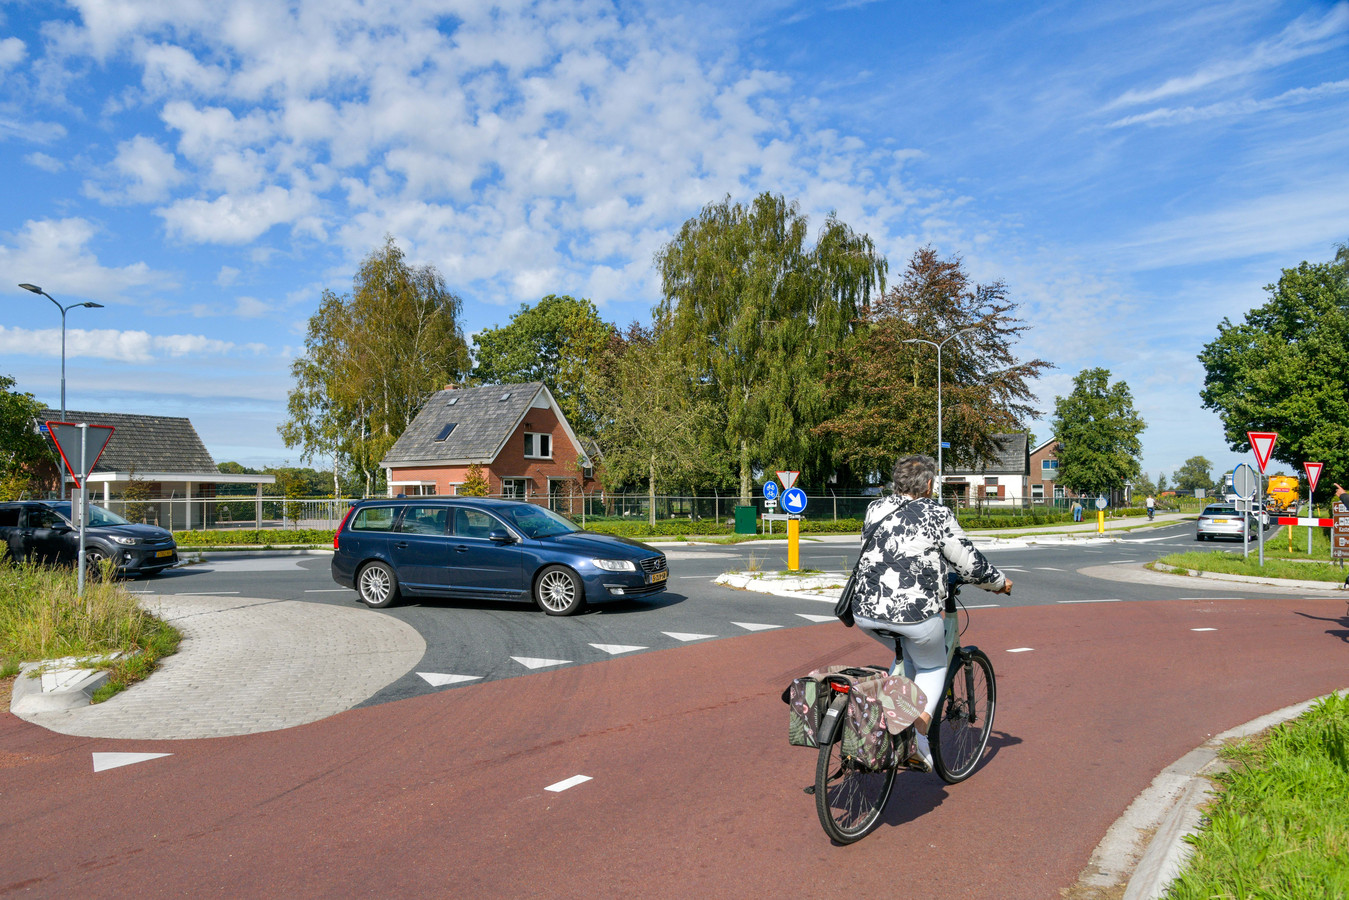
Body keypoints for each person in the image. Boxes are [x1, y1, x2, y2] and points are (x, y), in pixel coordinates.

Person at [850, 454, 1012, 773]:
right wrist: (999, 582)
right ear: (928, 484)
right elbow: (967, 561)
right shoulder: (936, 513)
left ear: (896, 483)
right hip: (913, 613)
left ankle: (884, 722)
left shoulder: (875, 509)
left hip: (865, 609)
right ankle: (917, 737)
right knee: (935, 664)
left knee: (909, 658)